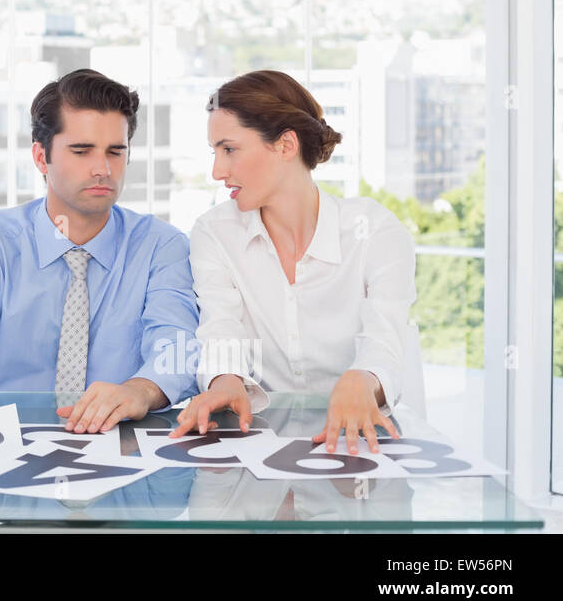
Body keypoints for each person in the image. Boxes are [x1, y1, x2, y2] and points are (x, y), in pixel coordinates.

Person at [0, 69, 200, 436]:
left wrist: (141, 389)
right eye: (81, 151)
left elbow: (178, 344)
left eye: (115, 152)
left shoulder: (161, 247)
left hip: (121, 453)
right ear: (41, 158)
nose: (103, 169)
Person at [169, 70, 416, 455]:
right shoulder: (214, 233)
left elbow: (385, 339)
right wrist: (225, 379)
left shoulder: (375, 232)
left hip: (362, 446)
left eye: (229, 149)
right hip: (260, 448)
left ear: (285, 146)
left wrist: (363, 378)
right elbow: (220, 326)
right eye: (214, 152)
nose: (218, 171)